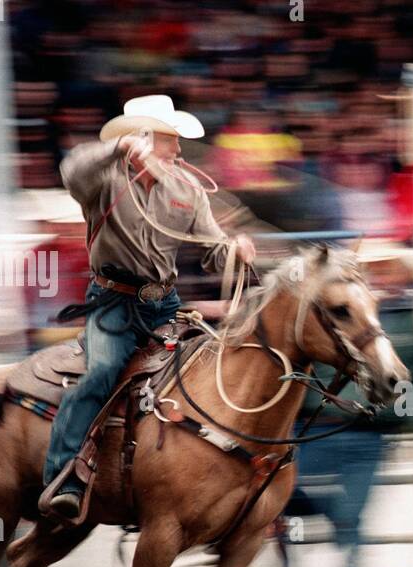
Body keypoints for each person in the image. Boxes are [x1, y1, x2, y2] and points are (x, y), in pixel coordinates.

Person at [42, 95, 258, 519]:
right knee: (102, 372)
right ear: (139, 138)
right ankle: (62, 473)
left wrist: (235, 250)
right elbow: (72, 171)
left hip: (164, 304)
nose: (177, 151)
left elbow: (211, 248)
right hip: (113, 303)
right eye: (168, 140)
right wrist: (116, 150)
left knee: (213, 367)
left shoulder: (187, 189)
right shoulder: (103, 181)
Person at [280, 250, 413, 567]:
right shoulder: (334, 315)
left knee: (349, 516)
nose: (385, 278)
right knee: (286, 503)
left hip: (363, 435)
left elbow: (411, 388)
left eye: (392, 271)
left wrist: (382, 415)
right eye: (379, 271)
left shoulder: (404, 325)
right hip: (319, 431)